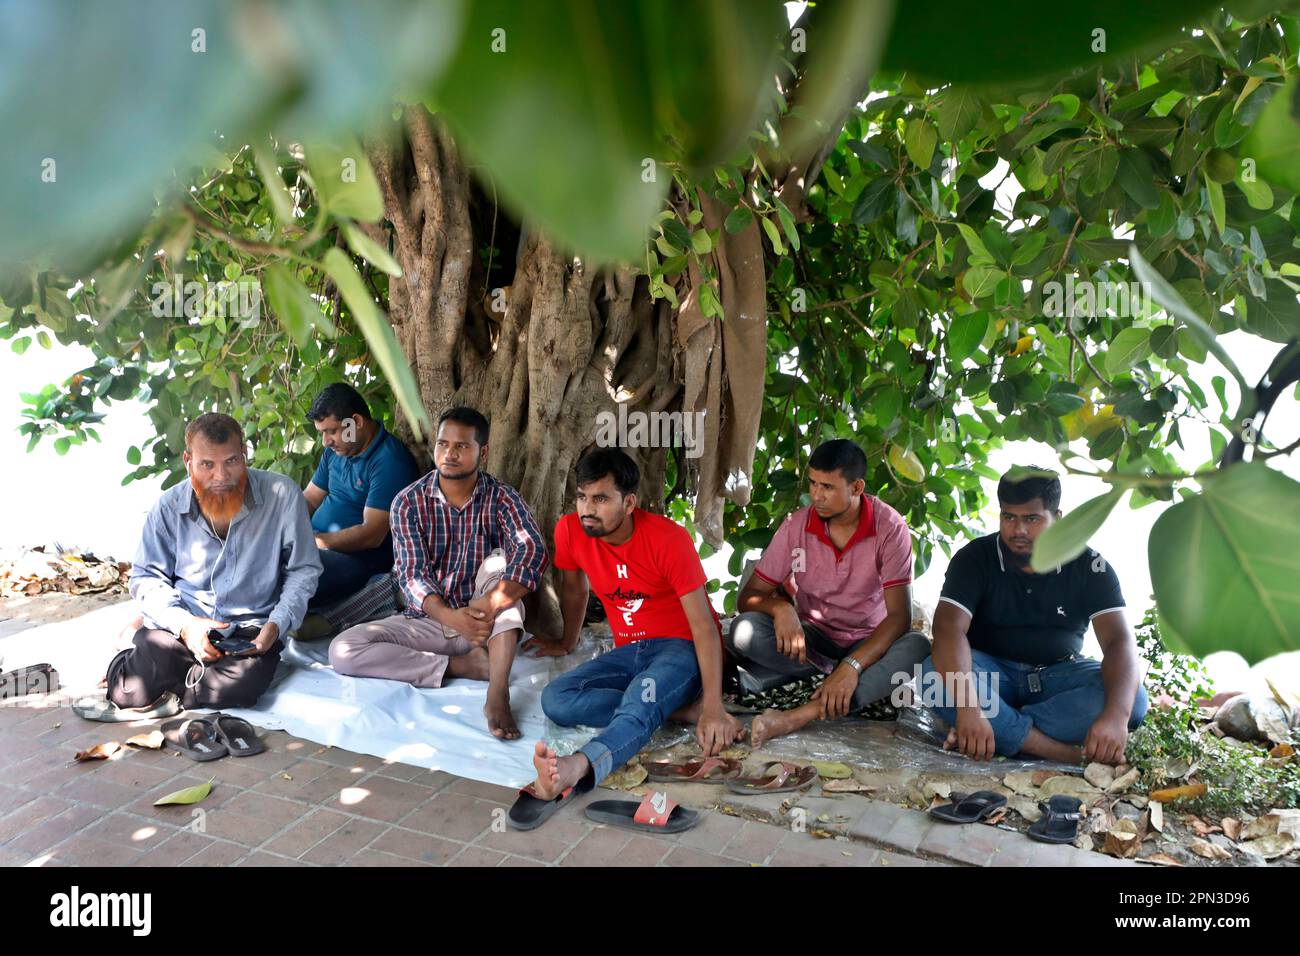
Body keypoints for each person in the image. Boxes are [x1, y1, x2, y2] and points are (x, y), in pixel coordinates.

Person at [521, 448, 743, 803]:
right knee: (556, 699)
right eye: (582, 497)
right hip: (628, 652)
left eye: (601, 499)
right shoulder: (570, 531)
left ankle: (576, 767)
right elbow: (575, 587)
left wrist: (714, 706)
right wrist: (567, 641)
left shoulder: (668, 539)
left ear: (629, 503)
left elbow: (704, 626)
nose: (587, 509)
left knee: (643, 695)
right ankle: (680, 711)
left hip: (679, 649)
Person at [329, 407, 546, 740]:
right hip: (429, 620)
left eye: (461, 446)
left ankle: (497, 692)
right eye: (443, 444)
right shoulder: (408, 502)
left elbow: (532, 550)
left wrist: (489, 604)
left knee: (503, 570)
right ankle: (462, 667)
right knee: (343, 649)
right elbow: (411, 575)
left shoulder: (502, 498)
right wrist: (450, 617)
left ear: (483, 452)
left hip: (484, 620)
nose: (450, 454)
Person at [921, 467, 1148, 765]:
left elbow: (1120, 642)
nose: (1019, 530)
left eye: (1032, 519)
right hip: (988, 675)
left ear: (1058, 518)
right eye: (1009, 517)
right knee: (931, 675)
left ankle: (993, 732)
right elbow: (949, 630)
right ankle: (1059, 752)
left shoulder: (1090, 566)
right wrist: (969, 708)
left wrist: (1116, 718)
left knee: (1134, 700)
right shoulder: (974, 558)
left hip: (1056, 676)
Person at [109, 413, 321, 710]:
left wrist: (277, 624)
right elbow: (146, 577)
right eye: (207, 464)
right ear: (188, 460)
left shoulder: (282, 495)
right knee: (129, 694)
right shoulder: (168, 507)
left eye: (231, 461)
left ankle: (173, 675)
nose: (221, 477)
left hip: (249, 627)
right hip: (183, 623)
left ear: (245, 455)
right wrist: (184, 625)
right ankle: (142, 660)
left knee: (235, 691)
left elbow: (304, 569)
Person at [727, 439, 930, 744]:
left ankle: (799, 713)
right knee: (743, 631)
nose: (816, 496)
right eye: (812, 483)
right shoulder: (797, 525)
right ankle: (845, 687)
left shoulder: (890, 528)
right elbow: (749, 597)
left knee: (917, 646)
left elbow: (900, 618)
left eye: (828, 487)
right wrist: (781, 609)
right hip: (812, 643)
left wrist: (852, 666)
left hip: (867, 644)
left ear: (857, 488)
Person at [302, 383, 421, 607]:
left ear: (356, 422)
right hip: (320, 546)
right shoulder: (335, 452)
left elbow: (371, 534)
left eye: (332, 431)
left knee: (291, 566)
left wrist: (314, 542)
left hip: (359, 561)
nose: (326, 441)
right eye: (322, 433)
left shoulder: (389, 461)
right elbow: (309, 499)